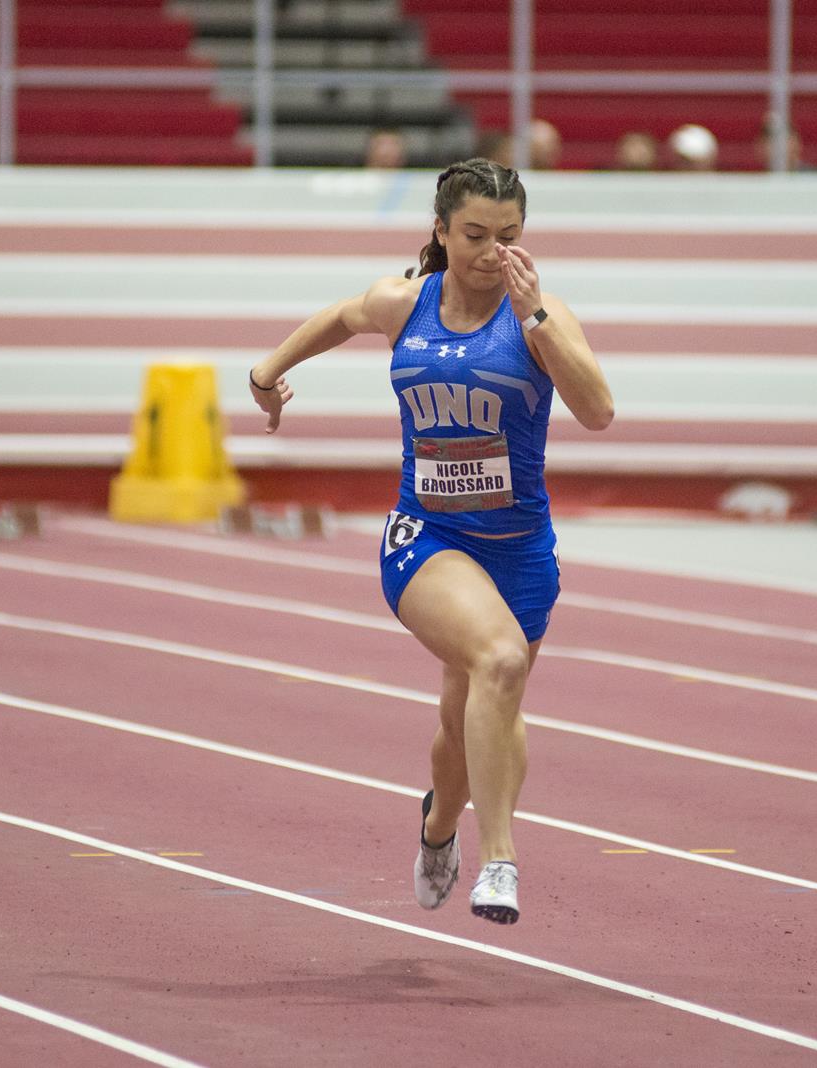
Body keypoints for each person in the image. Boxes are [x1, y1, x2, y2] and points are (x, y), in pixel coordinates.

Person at [246, 159, 615, 925]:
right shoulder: (405, 301)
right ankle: (501, 863)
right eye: (474, 234)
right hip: (427, 535)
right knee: (501, 661)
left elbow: (599, 411)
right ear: (441, 232)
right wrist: (267, 371)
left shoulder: (539, 317)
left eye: (508, 237)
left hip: (518, 550)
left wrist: (539, 317)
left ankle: (438, 828)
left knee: (466, 719)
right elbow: (342, 316)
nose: (490, 252)